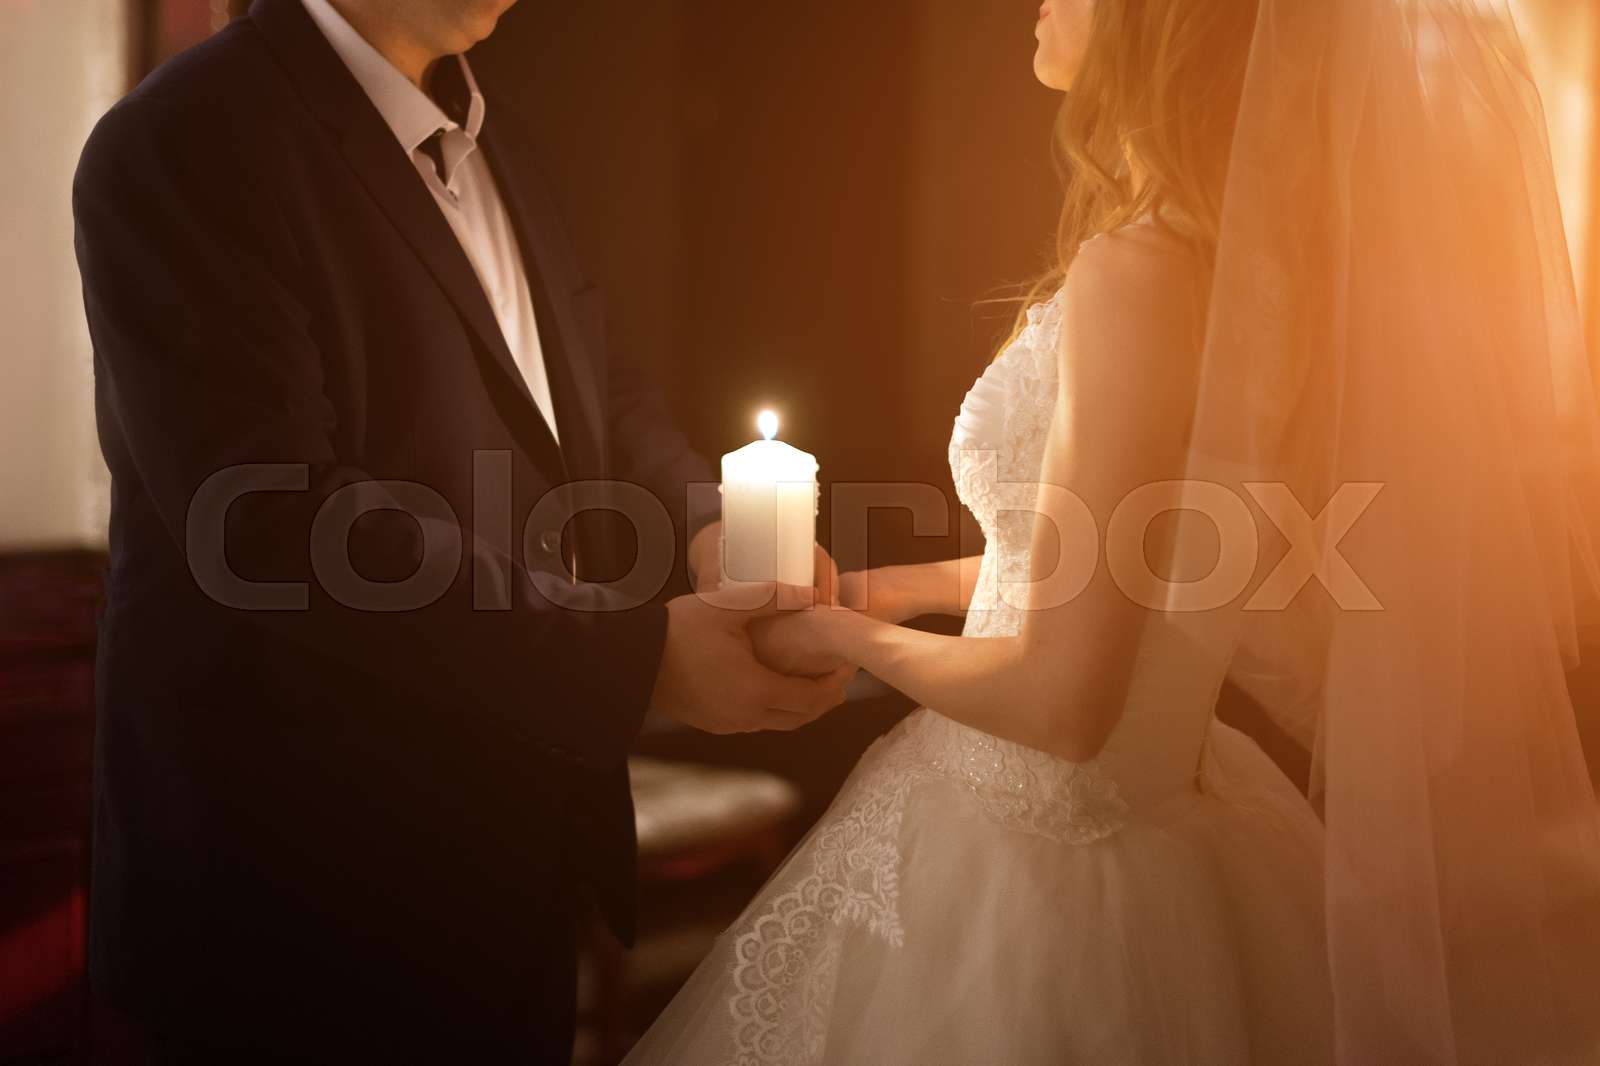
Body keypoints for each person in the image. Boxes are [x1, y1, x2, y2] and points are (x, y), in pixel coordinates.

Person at [627, 1, 1600, 1063]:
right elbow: (1145, 557)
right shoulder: (1245, 268)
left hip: (1037, 852)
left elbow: (1061, 707)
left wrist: (838, 642)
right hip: (1180, 819)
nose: (1039, 2)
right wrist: (901, 590)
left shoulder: (1138, 272)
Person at [72, 0, 851, 1060]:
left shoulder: (508, 143)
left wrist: (709, 524)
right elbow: (278, 523)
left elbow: (596, 393)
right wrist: (636, 661)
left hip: (510, 851)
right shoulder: (189, 141)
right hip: (294, 900)